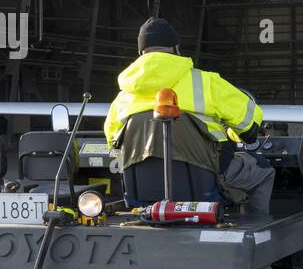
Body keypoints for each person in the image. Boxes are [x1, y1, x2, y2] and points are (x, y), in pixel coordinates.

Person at [104, 17, 274, 214]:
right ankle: (255, 225)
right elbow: (250, 127)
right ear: (176, 48)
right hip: (205, 182)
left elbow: (113, 143)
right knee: (264, 172)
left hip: (143, 194)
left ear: (141, 52)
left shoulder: (123, 97)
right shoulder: (206, 82)